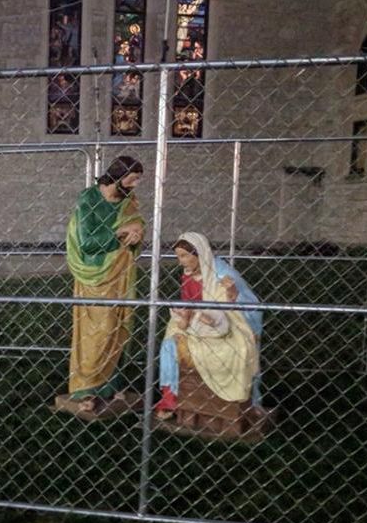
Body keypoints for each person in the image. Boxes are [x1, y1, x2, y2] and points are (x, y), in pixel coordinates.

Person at [65, 156, 146, 413]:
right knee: (96, 333)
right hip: (94, 276)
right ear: (117, 176)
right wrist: (121, 233)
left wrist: (136, 232)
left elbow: (135, 224)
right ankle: (86, 388)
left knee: (117, 328)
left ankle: (110, 385)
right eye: (131, 180)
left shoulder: (127, 202)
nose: (134, 185)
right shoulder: (89, 198)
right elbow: (87, 241)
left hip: (120, 274)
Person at [153, 232, 263, 420]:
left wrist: (232, 294)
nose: (181, 262)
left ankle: (232, 403)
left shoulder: (221, 274)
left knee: (234, 348)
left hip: (227, 321)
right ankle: (170, 398)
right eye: (179, 256)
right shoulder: (188, 274)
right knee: (169, 345)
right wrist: (186, 315)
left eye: (185, 256)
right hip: (194, 320)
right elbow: (188, 301)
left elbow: (250, 305)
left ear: (199, 254)